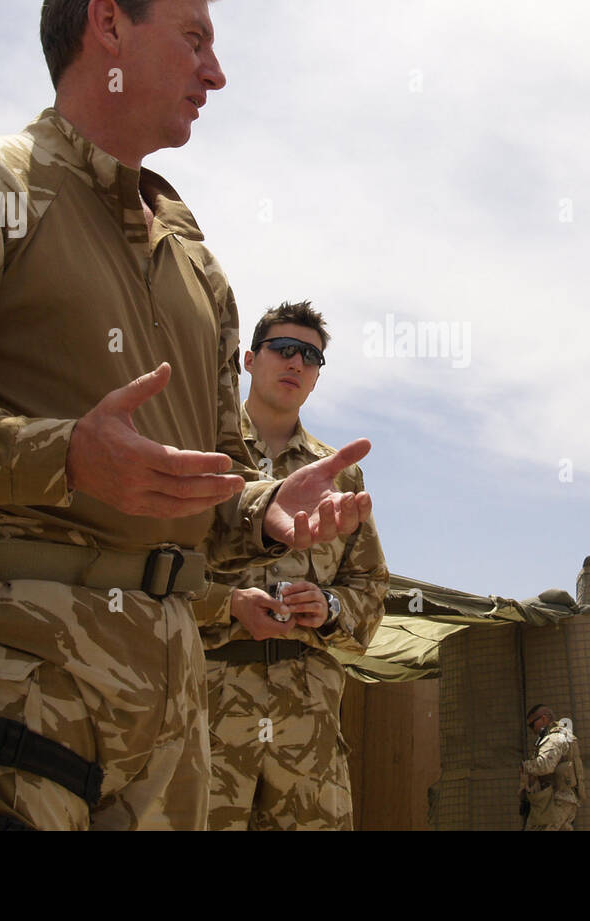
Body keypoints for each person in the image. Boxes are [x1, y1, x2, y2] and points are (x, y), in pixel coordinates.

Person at [0, 0, 373, 831]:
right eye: (193, 40)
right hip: (17, 680)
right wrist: (61, 455)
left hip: (173, 709)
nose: (216, 73)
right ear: (107, 24)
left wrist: (260, 514)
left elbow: (189, 487)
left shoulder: (200, 272)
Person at [200, 301, 387, 830]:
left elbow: (370, 587)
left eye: (311, 357)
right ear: (249, 360)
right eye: (283, 349)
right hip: (206, 711)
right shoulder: (204, 457)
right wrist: (226, 605)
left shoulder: (341, 478)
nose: (296, 363)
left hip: (308, 724)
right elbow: (152, 572)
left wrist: (328, 606)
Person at [519, 705, 582, 831]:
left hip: (554, 802)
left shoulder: (553, 738)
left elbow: (545, 765)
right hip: (565, 801)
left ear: (543, 719)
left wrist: (525, 766)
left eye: (532, 725)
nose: (532, 729)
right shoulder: (564, 736)